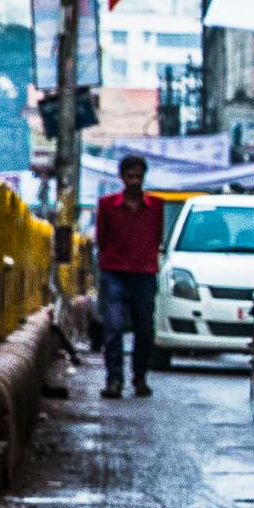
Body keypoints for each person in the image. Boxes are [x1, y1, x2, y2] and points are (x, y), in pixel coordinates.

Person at [94, 152, 161, 400]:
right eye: (130, 176)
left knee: (145, 329)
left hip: (144, 273)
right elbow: (101, 240)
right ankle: (114, 380)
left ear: (143, 178)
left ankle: (140, 376)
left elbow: (157, 237)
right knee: (113, 327)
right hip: (115, 272)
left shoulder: (156, 207)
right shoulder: (107, 205)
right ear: (122, 178)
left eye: (138, 176)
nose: (134, 181)